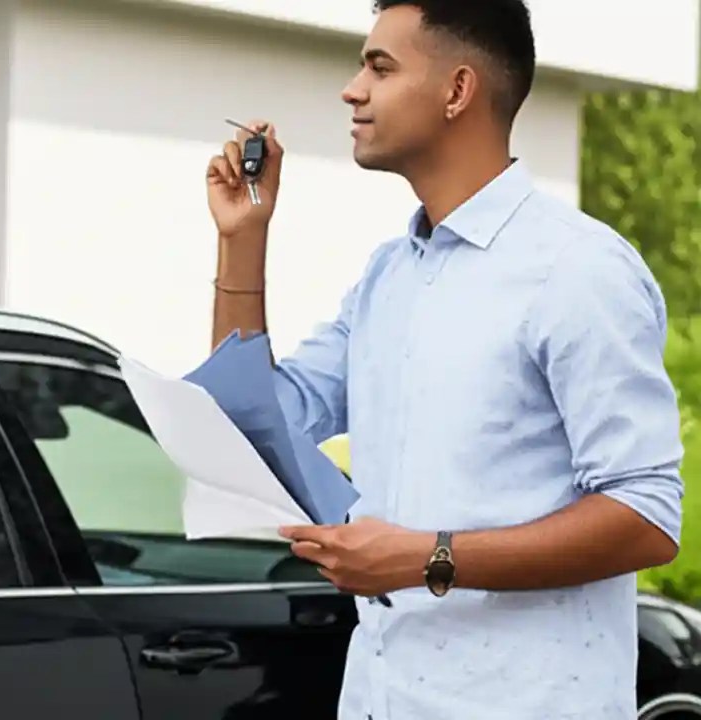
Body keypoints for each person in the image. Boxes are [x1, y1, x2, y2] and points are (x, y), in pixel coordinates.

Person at [203, 1, 685, 718]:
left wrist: (430, 558)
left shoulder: (577, 269)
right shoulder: (388, 275)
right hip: (380, 698)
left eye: (379, 67)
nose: (352, 90)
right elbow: (255, 421)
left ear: (457, 91)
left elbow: (646, 514)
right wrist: (243, 239)